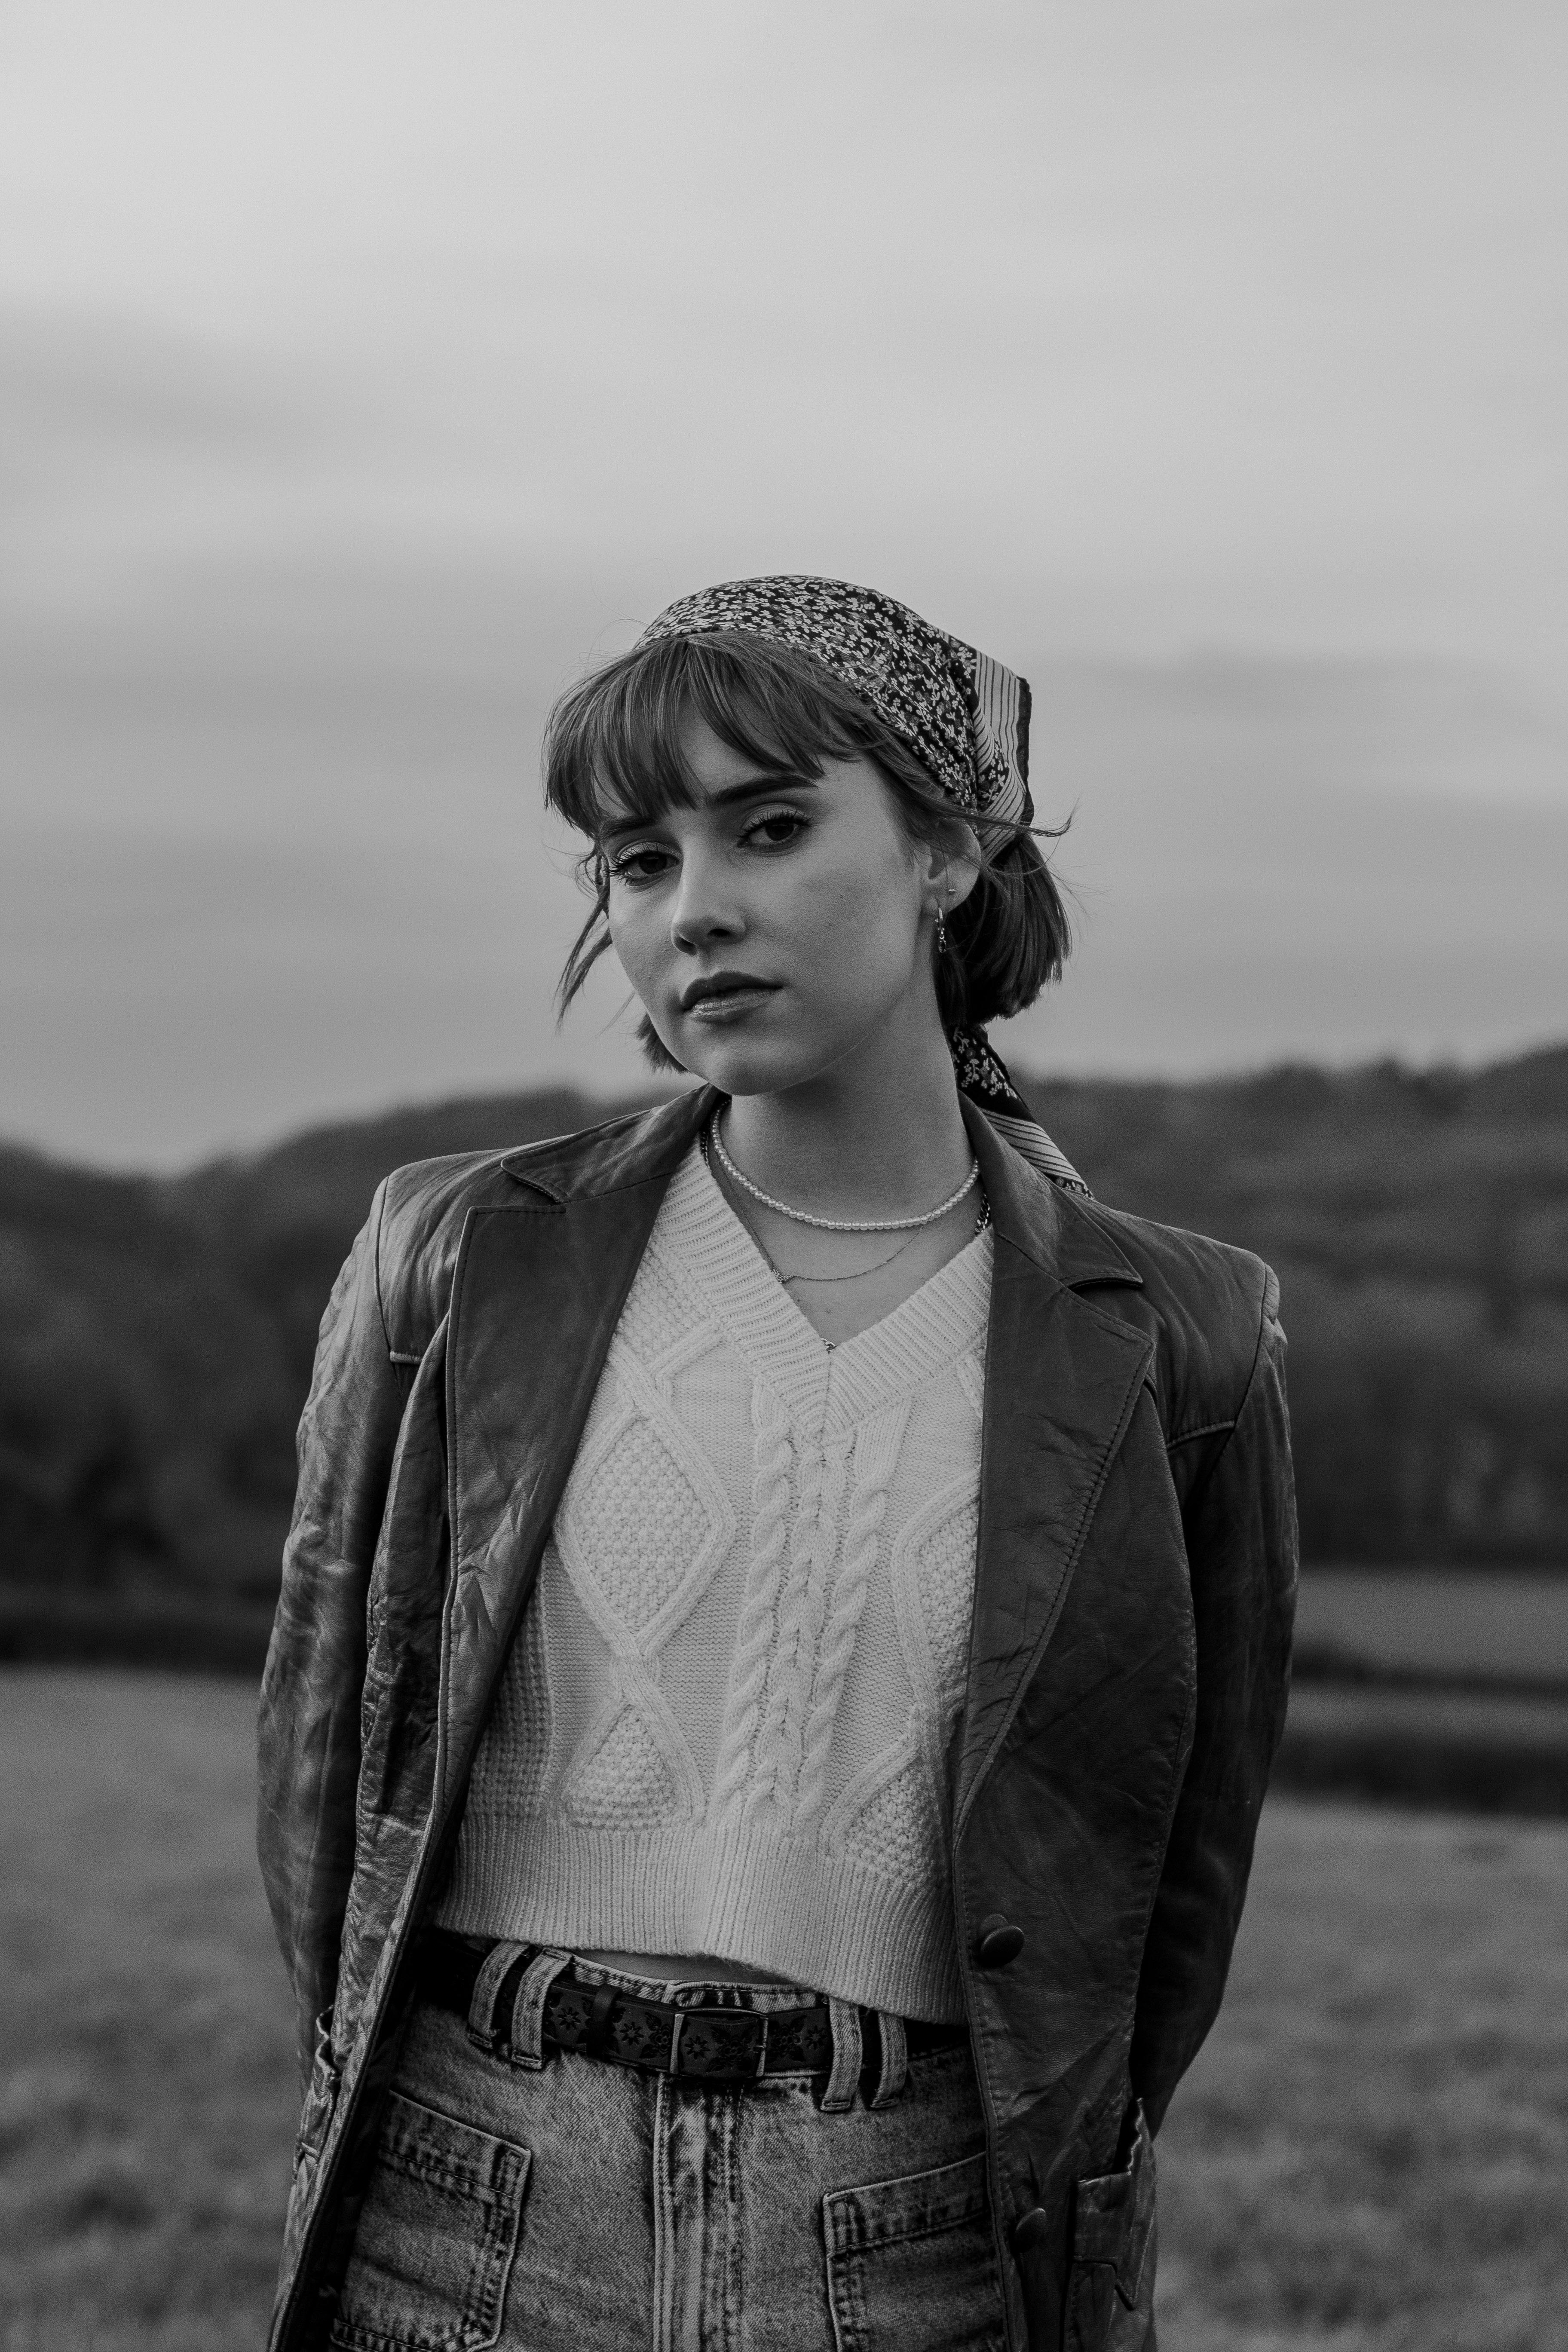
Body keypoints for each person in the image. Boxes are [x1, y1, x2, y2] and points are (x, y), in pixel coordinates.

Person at [258, 576, 1297, 2352]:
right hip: (462, 2194)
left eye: (772, 827)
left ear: (949, 854)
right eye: (638, 859)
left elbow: (1171, 1867)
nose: (698, 910)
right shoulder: (460, 1257)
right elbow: (323, 1740)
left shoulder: (1176, 1336)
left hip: (920, 2233)